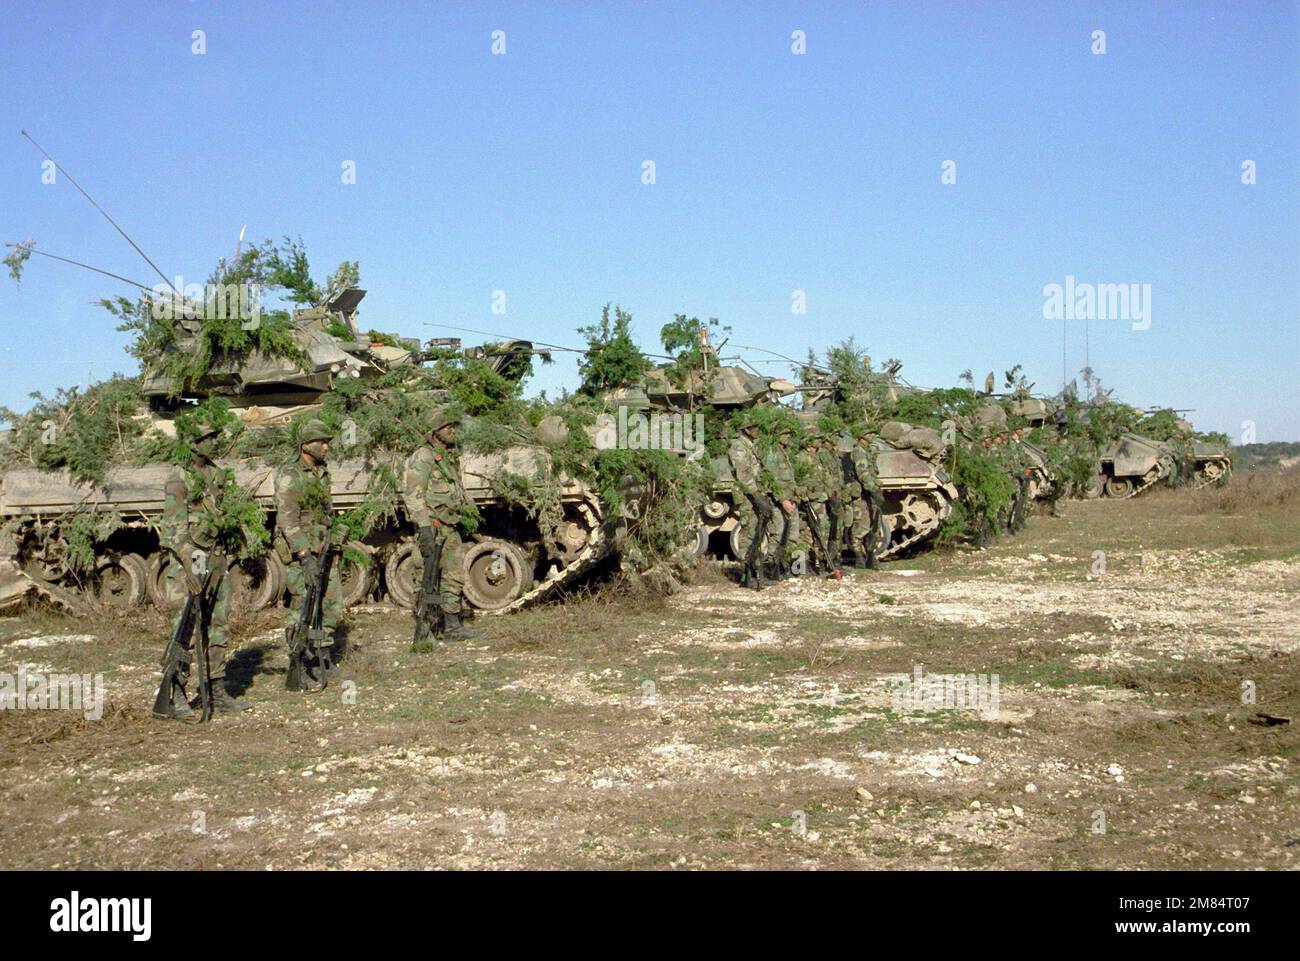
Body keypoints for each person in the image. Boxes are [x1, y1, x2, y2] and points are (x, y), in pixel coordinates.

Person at [156, 418, 246, 718]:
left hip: (216, 560)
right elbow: (172, 530)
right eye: (208, 437)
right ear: (193, 443)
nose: (214, 442)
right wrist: (190, 565)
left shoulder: (217, 475)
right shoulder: (178, 479)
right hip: (189, 565)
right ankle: (175, 692)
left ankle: (215, 686)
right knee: (183, 628)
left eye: (215, 437)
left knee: (218, 624)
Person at [402, 408, 478, 644]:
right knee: (426, 577)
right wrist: (424, 527)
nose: (452, 430)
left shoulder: (447, 458)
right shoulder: (423, 457)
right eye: (447, 427)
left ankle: (453, 626)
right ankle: (425, 629)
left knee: (453, 576)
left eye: (453, 426)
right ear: (435, 432)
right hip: (433, 528)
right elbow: (414, 494)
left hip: (449, 526)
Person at [274, 419, 343, 675]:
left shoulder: (321, 472)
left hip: (323, 548)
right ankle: (299, 659)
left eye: (327, 442)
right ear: (306, 445)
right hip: (303, 553)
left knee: (331, 605)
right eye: (321, 442)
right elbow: (287, 518)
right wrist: (303, 554)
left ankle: (322, 656)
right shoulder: (290, 474)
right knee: (302, 606)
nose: (326, 447)